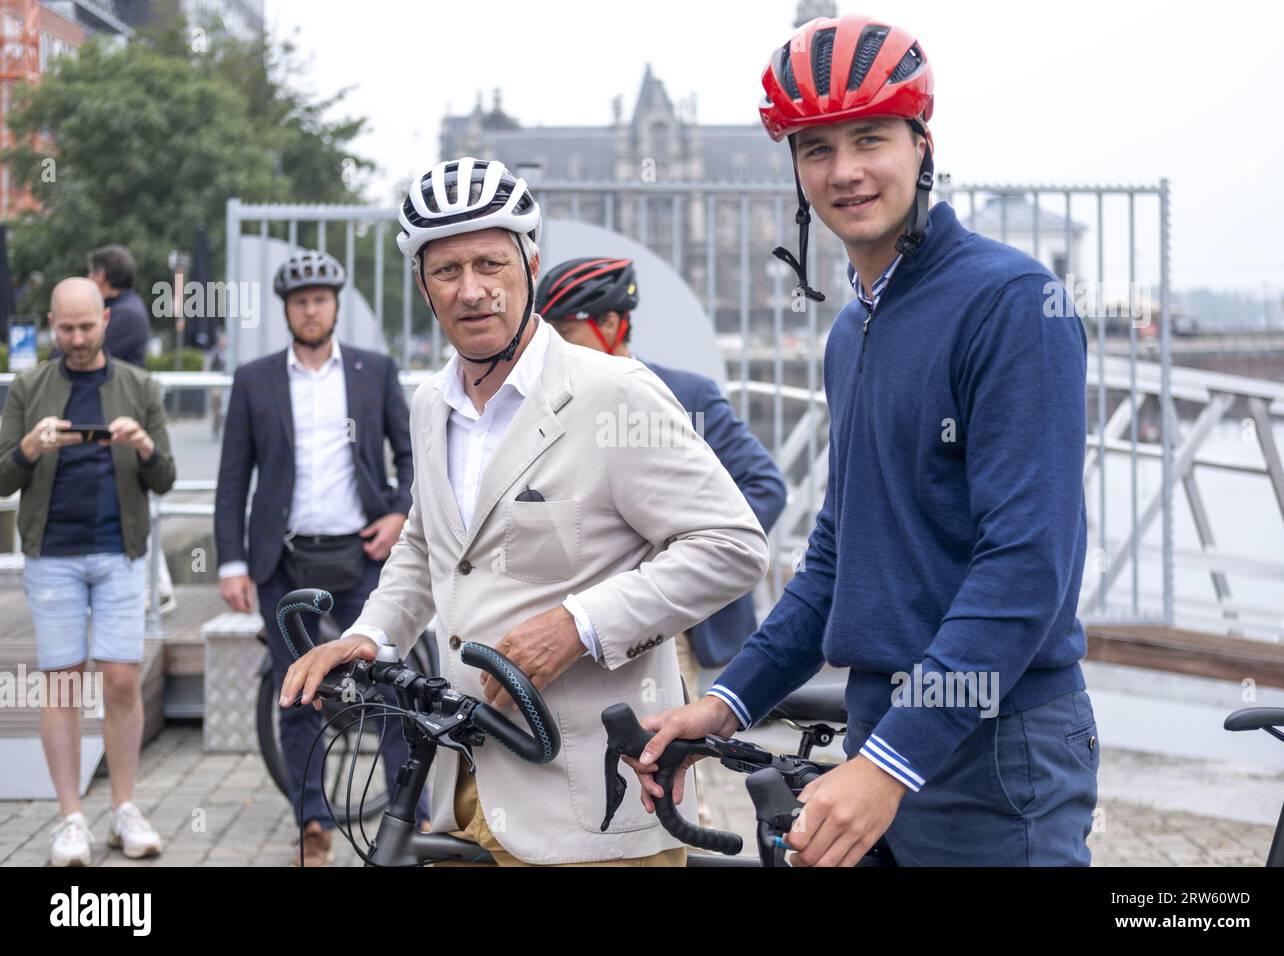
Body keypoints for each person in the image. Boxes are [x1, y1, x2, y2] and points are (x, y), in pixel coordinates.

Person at [630, 14, 1099, 867]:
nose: (844, 171)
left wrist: (890, 763)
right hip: (885, 730)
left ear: (923, 144)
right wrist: (731, 699)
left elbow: (1027, 566)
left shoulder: (1012, 304)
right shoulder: (853, 330)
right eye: (816, 148)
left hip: (996, 749)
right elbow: (840, 560)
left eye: (870, 139)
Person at [279, 157, 769, 866]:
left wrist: (580, 625)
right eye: (446, 271)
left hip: (593, 802)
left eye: (490, 263)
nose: (472, 290)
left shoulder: (611, 392)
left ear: (529, 265)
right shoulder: (430, 403)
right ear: (422, 285)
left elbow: (732, 546)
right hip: (463, 787)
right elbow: (427, 548)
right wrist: (370, 634)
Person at [213, 249, 431, 865]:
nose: (311, 308)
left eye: (321, 298)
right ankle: (312, 823)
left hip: (364, 558)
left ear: (335, 304)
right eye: (300, 300)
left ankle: (405, 824)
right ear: (287, 309)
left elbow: (413, 455)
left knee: (392, 694)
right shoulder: (255, 379)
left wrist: (399, 513)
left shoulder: (373, 371)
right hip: (283, 564)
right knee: (299, 697)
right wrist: (231, 562)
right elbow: (234, 479)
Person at [536, 256, 786, 698]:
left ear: (610, 324)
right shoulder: (547, 402)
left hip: (663, 626)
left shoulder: (687, 395)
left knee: (660, 752)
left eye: (566, 332)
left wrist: (682, 554)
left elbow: (765, 486)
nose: (554, 348)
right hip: (569, 615)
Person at [0, 276, 176, 866]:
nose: (76, 338)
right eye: (65, 328)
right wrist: (28, 449)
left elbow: (167, 478)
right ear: (52, 323)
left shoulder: (139, 385)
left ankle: (124, 808)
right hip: (52, 553)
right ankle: (70, 816)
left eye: (86, 326)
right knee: (63, 683)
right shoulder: (28, 387)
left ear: (104, 319)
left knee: (122, 677)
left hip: (119, 550)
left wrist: (143, 444)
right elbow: (3, 477)